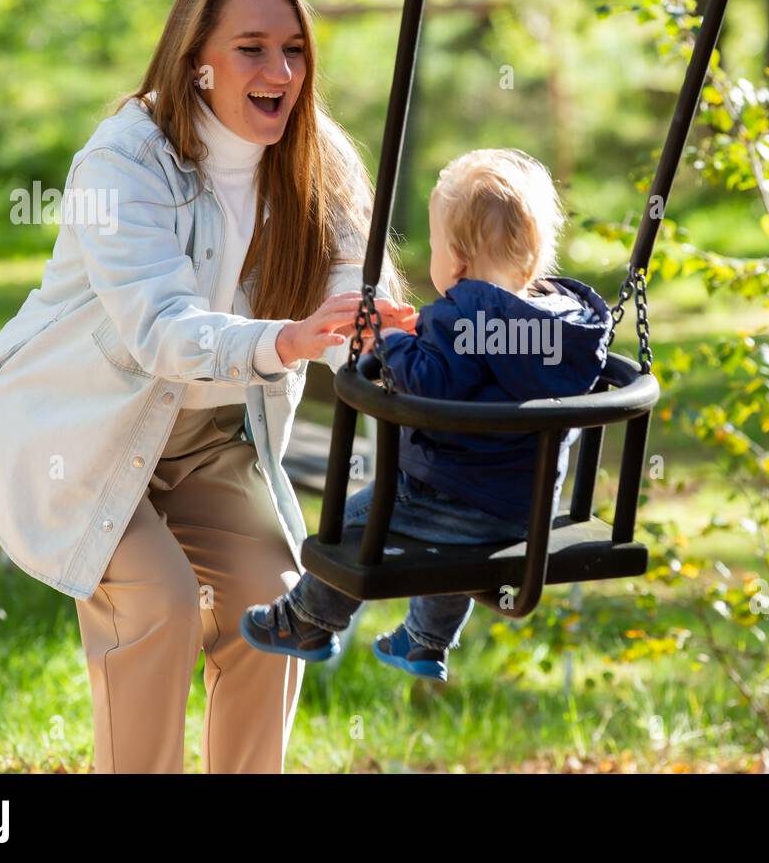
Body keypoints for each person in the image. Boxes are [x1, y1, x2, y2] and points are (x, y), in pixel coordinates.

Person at [0, 0, 414, 772]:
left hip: (210, 436)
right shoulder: (125, 160)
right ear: (197, 63)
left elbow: (351, 275)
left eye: (295, 50)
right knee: (155, 604)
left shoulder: (316, 157)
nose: (281, 72)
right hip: (83, 432)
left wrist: (364, 321)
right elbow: (160, 328)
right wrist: (286, 339)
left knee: (274, 606)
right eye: (253, 49)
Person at [241, 148, 612, 682]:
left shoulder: (460, 315)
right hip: (523, 512)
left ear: (456, 262)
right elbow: (486, 372)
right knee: (455, 553)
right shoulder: (565, 325)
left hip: (446, 493)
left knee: (352, 524)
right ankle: (425, 640)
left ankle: (307, 619)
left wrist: (388, 339)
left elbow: (428, 383)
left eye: (436, 247)